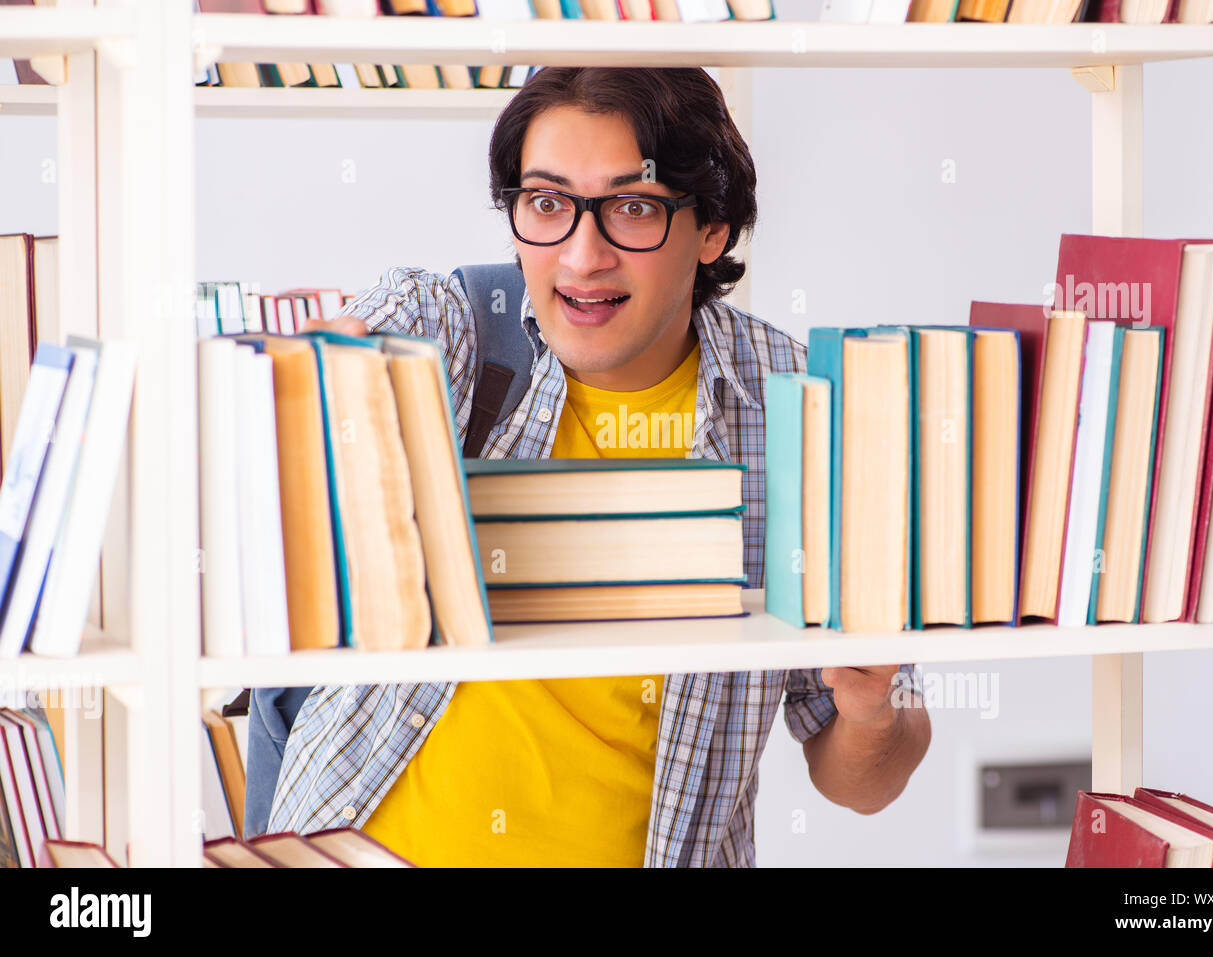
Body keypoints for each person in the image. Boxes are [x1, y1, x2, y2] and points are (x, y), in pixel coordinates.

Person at [263, 66, 930, 867]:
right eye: (547, 203)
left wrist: (868, 713)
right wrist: (320, 366)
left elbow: (863, 781)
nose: (582, 257)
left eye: (634, 208)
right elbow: (362, 333)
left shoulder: (803, 415)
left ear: (712, 229)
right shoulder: (463, 333)